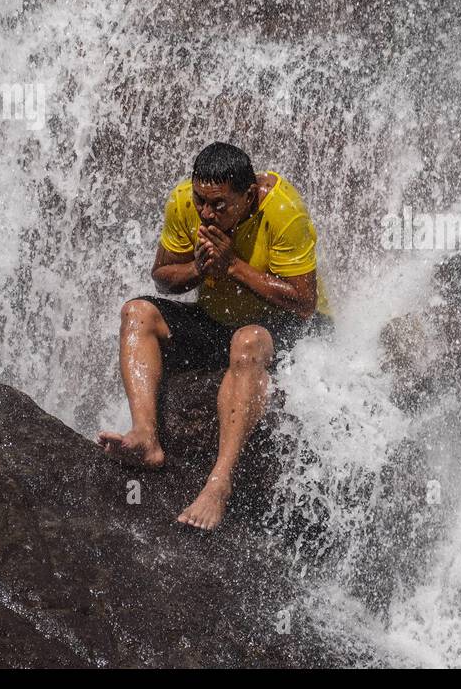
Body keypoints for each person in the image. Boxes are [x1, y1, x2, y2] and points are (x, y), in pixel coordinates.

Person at [97, 141, 331, 530]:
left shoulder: (283, 210)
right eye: (201, 200)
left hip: (284, 330)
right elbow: (163, 276)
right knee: (137, 312)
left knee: (248, 340)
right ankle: (145, 436)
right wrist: (199, 269)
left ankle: (219, 484)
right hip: (217, 321)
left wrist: (234, 267)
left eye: (219, 205)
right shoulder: (183, 204)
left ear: (249, 195)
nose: (206, 213)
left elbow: (304, 301)